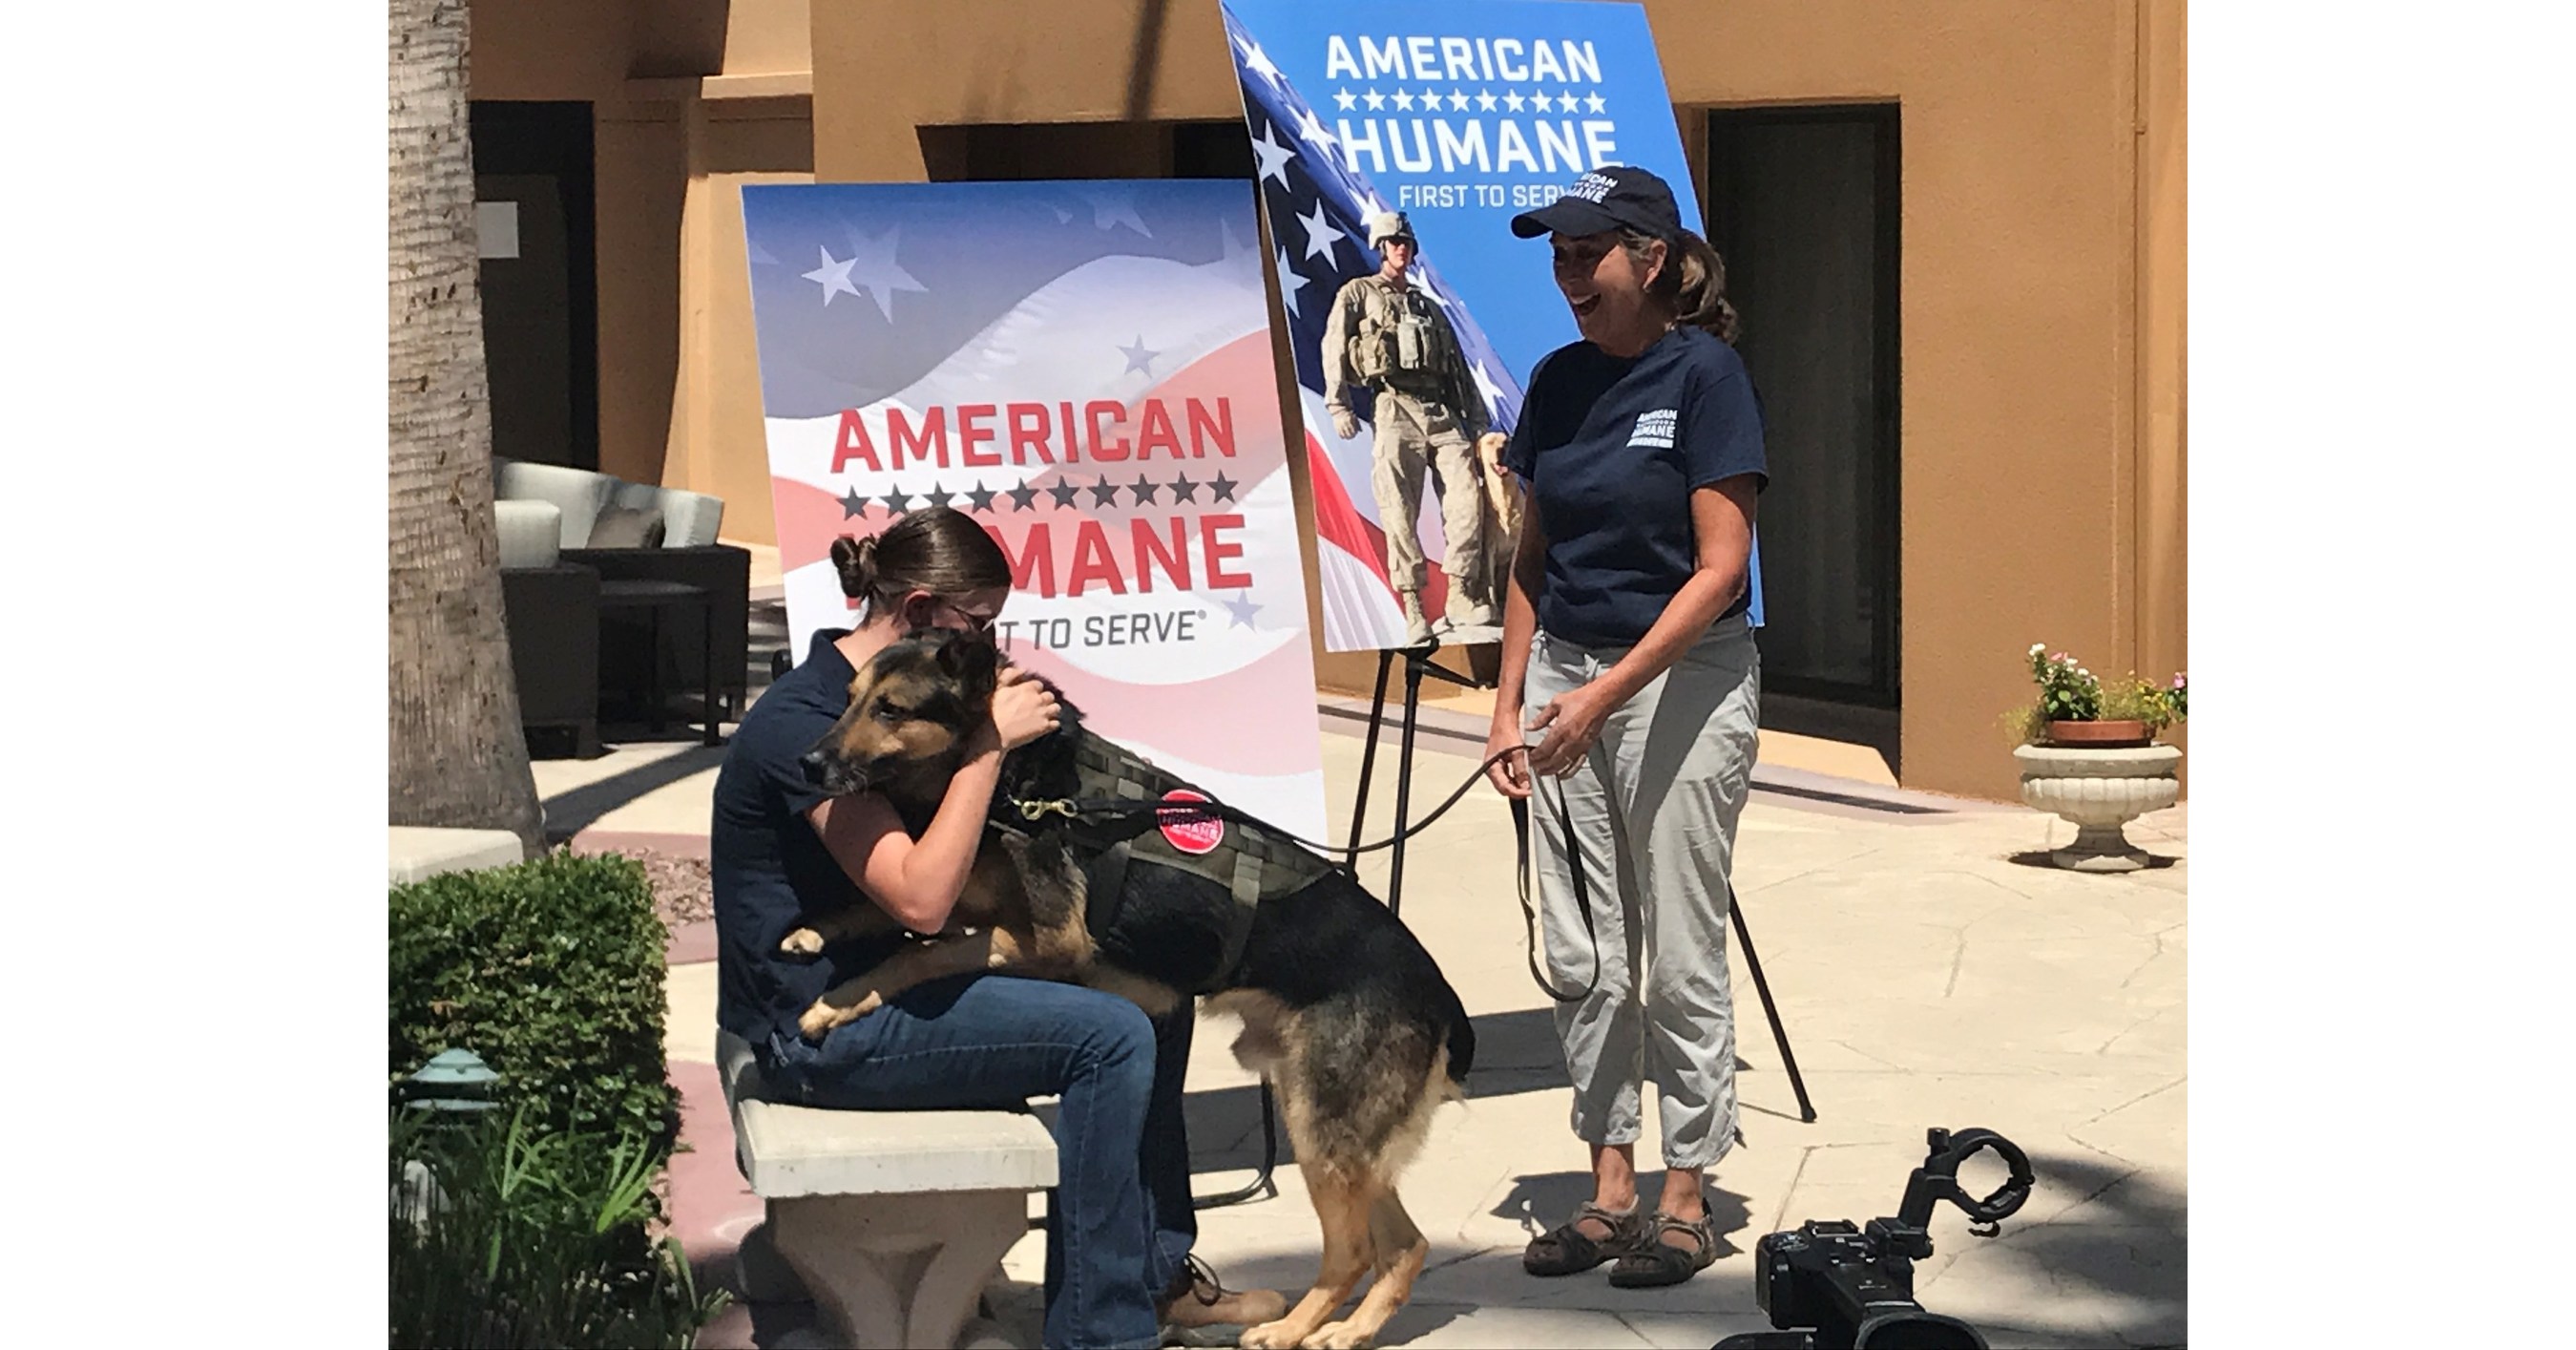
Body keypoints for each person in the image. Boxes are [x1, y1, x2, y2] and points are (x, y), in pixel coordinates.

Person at [710, 506, 1283, 1348]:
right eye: (976, 625)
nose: (987, 646)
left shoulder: (891, 695)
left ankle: (1151, 1277)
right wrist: (985, 746)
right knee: (1112, 1037)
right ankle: (1100, 1332)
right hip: (819, 1026)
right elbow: (919, 900)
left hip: (882, 987)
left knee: (1153, 997)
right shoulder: (818, 728)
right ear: (916, 613)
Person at [1479, 165, 1768, 1289]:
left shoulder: (1707, 379)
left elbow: (1719, 571)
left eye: (1585, 252)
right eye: (1555, 254)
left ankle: (1685, 1192)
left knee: (1678, 951)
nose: (1565, 274)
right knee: (1583, 951)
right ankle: (1607, 1189)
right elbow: (1531, 561)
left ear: (1648, 258)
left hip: (1682, 679)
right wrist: (1508, 702)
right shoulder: (1552, 383)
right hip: (1563, 674)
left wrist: (1602, 699)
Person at [1322, 209, 1500, 647]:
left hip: (1439, 411)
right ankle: (1414, 606)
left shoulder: (1426, 306)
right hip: (1393, 405)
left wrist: (1477, 425)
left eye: (1406, 242)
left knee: (1465, 500)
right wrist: (1337, 403)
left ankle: (1460, 592)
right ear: (1381, 247)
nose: (1401, 249)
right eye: (1393, 242)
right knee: (1398, 511)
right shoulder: (1358, 294)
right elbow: (1333, 344)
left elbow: (1458, 369)